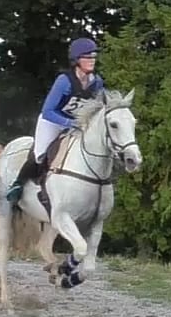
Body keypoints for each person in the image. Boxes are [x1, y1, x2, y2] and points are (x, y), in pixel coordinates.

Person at [7, 37, 105, 203]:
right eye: (87, 57)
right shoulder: (64, 81)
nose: (92, 60)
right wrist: (69, 123)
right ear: (76, 60)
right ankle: (18, 185)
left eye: (93, 56)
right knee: (40, 154)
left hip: (77, 123)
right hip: (52, 121)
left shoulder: (96, 83)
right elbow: (47, 111)